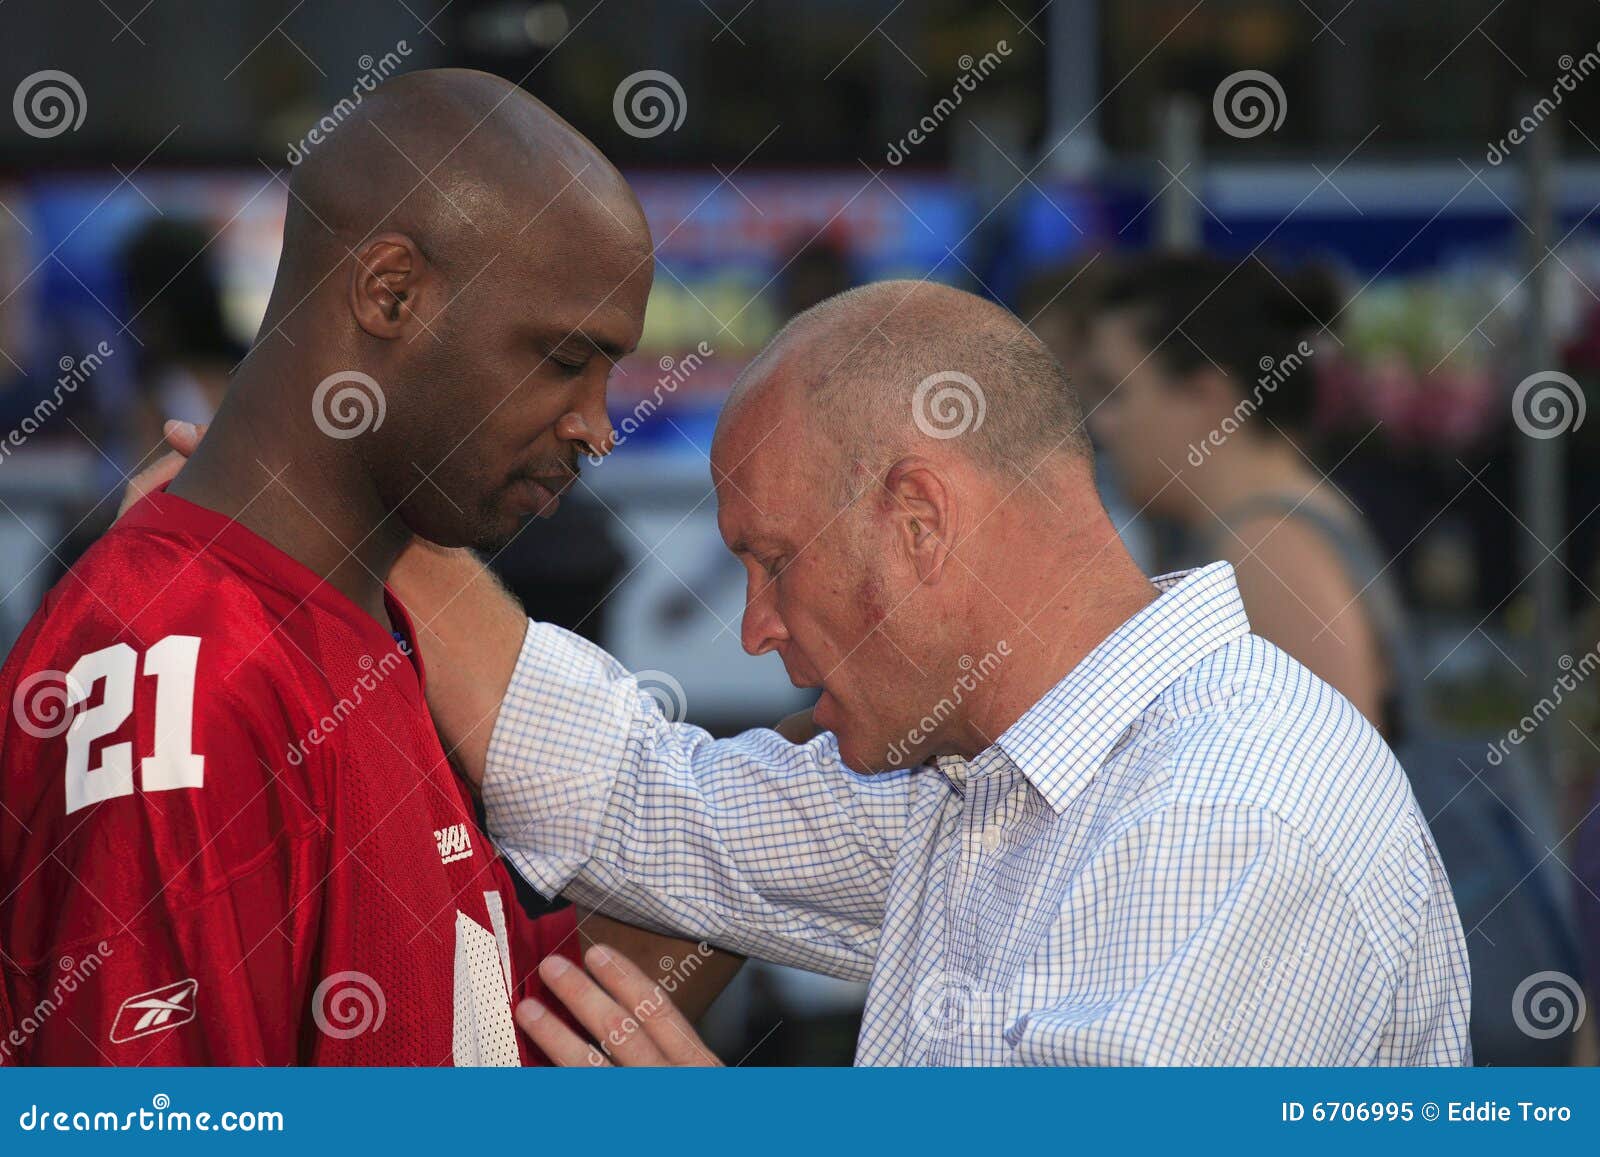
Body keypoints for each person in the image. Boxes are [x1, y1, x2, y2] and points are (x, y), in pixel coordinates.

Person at [383, 278, 1472, 1066]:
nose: (756, 627)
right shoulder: (994, 773)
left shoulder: (1223, 816)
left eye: (773, 559)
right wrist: (354, 514)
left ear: (918, 518)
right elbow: (644, 800)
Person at [0, 69, 734, 1066]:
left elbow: (477, 1023)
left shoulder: (354, 616)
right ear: (391, 293)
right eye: (564, 358)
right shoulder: (179, 667)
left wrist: (820, 812)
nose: (599, 427)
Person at [1080, 254, 1397, 738]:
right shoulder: (1271, 524)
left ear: (1204, 396)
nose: (1101, 424)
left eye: (1116, 391)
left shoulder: (1268, 544)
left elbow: (1339, 765)